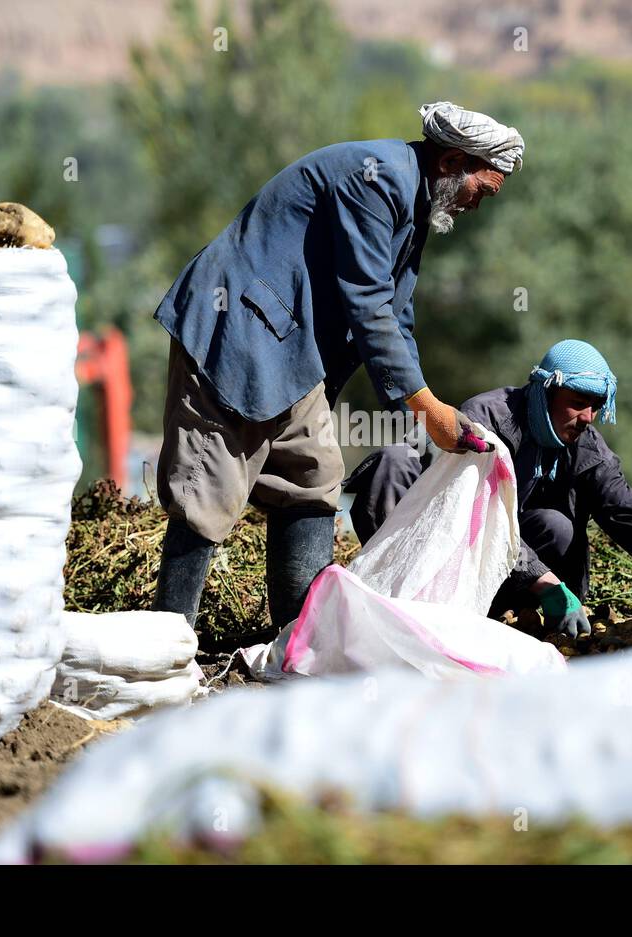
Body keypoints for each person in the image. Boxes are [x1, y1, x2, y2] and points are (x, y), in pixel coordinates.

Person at [151, 102, 524, 633]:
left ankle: (296, 641)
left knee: (313, 477)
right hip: (237, 329)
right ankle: (166, 646)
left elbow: (397, 316)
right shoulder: (378, 181)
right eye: (481, 190)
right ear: (452, 163)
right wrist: (426, 408)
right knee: (208, 486)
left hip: (289, 353)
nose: (477, 206)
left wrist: (430, 406)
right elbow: (367, 303)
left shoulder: (414, 201)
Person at [347, 340, 632, 637]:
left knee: (556, 526)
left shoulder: (586, 447)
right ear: (545, 393)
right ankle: (390, 601)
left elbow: (627, 510)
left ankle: (520, 620)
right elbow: (480, 519)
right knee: (394, 461)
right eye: (577, 403)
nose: (588, 417)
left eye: (595, 407)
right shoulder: (487, 419)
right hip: (453, 560)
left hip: (518, 586)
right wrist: (542, 579)